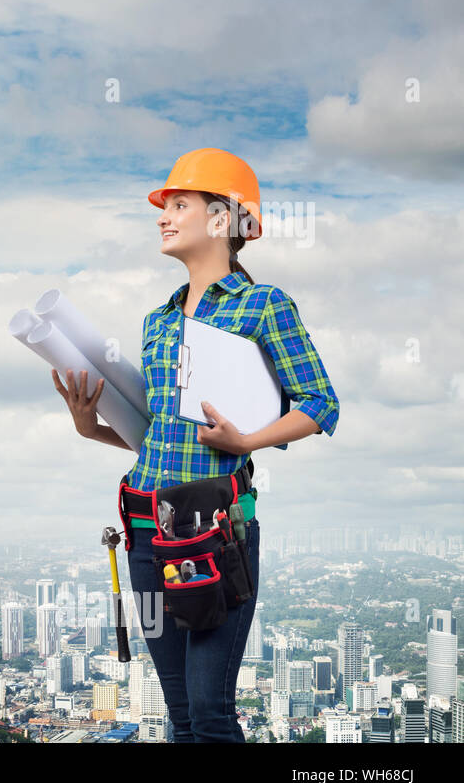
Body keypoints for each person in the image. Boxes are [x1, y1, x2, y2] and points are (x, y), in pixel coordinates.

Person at [51, 148, 340, 742]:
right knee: (180, 713)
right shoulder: (157, 321)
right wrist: (91, 428)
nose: (164, 216)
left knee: (209, 713)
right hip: (144, 531)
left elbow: (320, 404)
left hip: (215, 533)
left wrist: (247, 440)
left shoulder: (264, 305)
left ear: (221, 219)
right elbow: (157, 435)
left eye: (180, 204)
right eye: (165, 206)